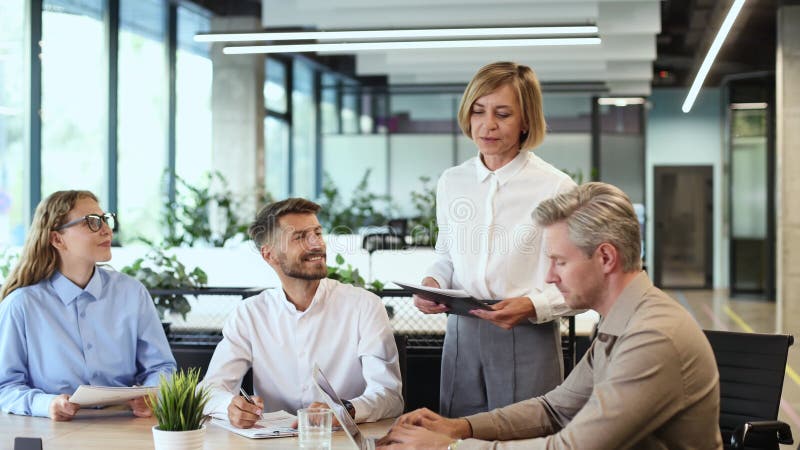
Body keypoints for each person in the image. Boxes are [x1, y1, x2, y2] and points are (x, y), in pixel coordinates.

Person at [379, 182, 722, 449]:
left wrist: (451, 446)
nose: (549, 277)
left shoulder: (653, 337)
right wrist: (458, 427)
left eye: (560, 261)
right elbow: (554, 409)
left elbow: (570, 446)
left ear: (605, 258)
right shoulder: (622, 319)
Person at [413, 61, 576, 417]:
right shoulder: (452, 181)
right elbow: (448, 255)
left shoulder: (556, 187)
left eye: (503, 114)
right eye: (478, 111)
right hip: (462, 333)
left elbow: (579, 282)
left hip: (527, 333)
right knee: (457, 435)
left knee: (527, 436)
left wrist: (533, 306)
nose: (488, 125)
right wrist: (433, 282)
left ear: (526, 121)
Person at [199, 198, 403, 428]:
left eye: (317, 232)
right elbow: (209, 390)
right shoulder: (250, 315)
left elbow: (390, 397)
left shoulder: (364, 306)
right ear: (270, 255)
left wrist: (347, 410)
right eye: (300, 237)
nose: (317, 244)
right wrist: (230, 406)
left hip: (341, 443)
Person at [0, 190, 176, 421]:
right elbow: (5, 387)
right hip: (53, 430)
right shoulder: (21, 306)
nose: (106, 229)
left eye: (105, 219)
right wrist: (47, 404)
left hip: (125, 426)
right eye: (91, 222)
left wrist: (153, 395)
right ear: (57, 239)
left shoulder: (132, 293)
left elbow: (161, 367)